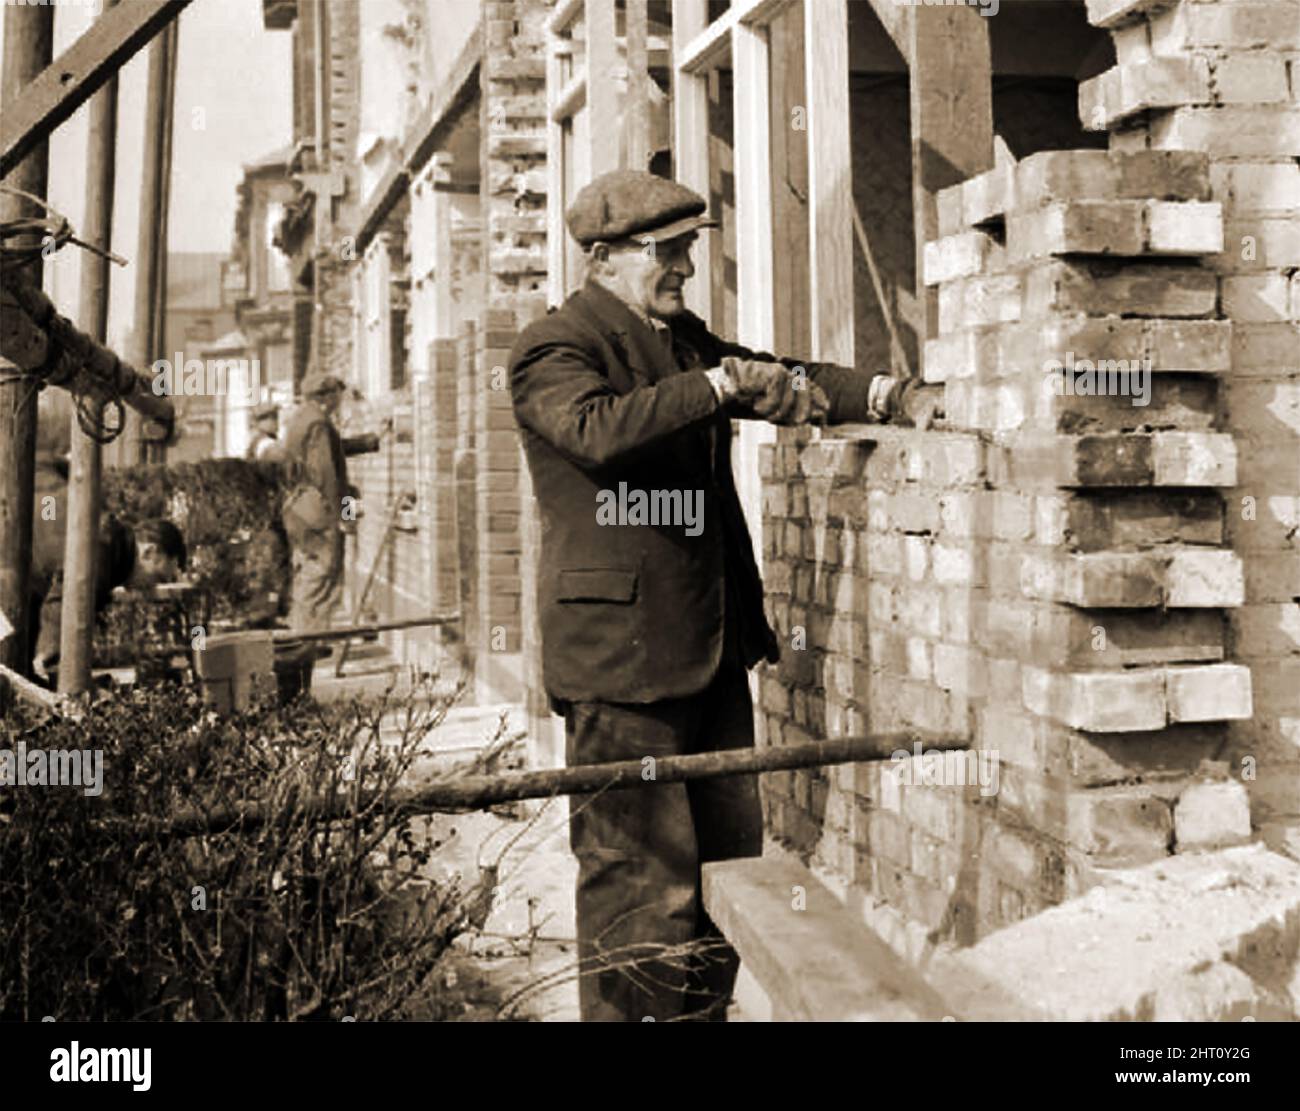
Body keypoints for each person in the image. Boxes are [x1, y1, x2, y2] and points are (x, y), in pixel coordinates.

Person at [509, 169, 926, 1022]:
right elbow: (598, 431)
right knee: (642, 903)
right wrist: (719, 387)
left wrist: (889, 394)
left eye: (689, 251)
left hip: (708, 656)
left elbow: (776, 373)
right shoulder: (555, 348)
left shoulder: (680, 338)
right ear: (604, 258)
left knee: (726, 885)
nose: (684, 269)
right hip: (619, 671)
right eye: (668, 253)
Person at [29, 449, 188, 681]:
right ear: (149, 551)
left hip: (30, 513)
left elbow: (41, 463)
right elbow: (62, 602)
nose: (152, 588)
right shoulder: (101, 560)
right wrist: (47, 656)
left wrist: (58, 479)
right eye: (159, 578)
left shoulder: (103, 526)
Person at [281, 372, 353, 634]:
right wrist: (345, 515)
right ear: (327, 396)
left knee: (306, 576)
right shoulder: (319, 423)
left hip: (297, 507)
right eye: (338, 394)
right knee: (323, 577)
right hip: (320, 511)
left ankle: (301, 634)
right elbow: (326, 473)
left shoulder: (298, 419)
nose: (340, 400)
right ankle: (310, 640)